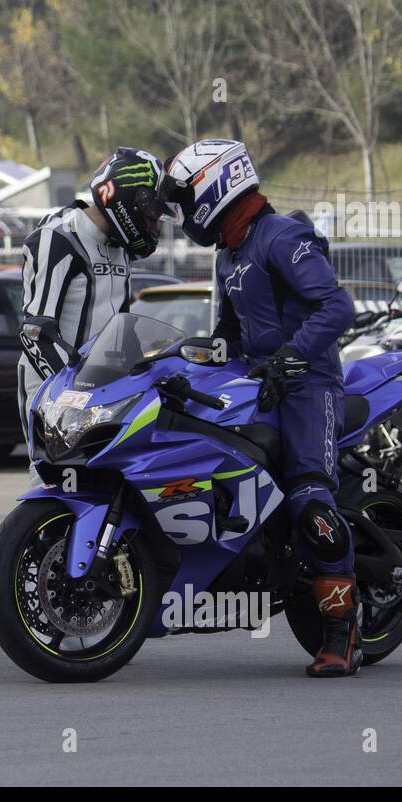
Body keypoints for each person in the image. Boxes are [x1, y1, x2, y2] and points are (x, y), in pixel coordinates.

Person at [162, 139, 360, 677]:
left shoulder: (282, 236)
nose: (180, 213)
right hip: (256, 382)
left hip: (308, 383)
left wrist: (293, 356)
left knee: (309, 503)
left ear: (215, 186)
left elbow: (337, 305)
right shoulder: (229, 250)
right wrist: (187, 359)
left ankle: (341, 635)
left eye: (183, 198)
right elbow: (229, 332)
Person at [18, 147, 168, 479]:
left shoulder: (120, 248)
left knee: (110, 481)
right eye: (150, 214)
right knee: (52, 485)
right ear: (126, 199)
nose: (153, 225)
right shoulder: (58, 236)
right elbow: (35, 333)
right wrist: (69, 395)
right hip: (54, 386)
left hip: (101, 389)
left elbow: (123, 328)